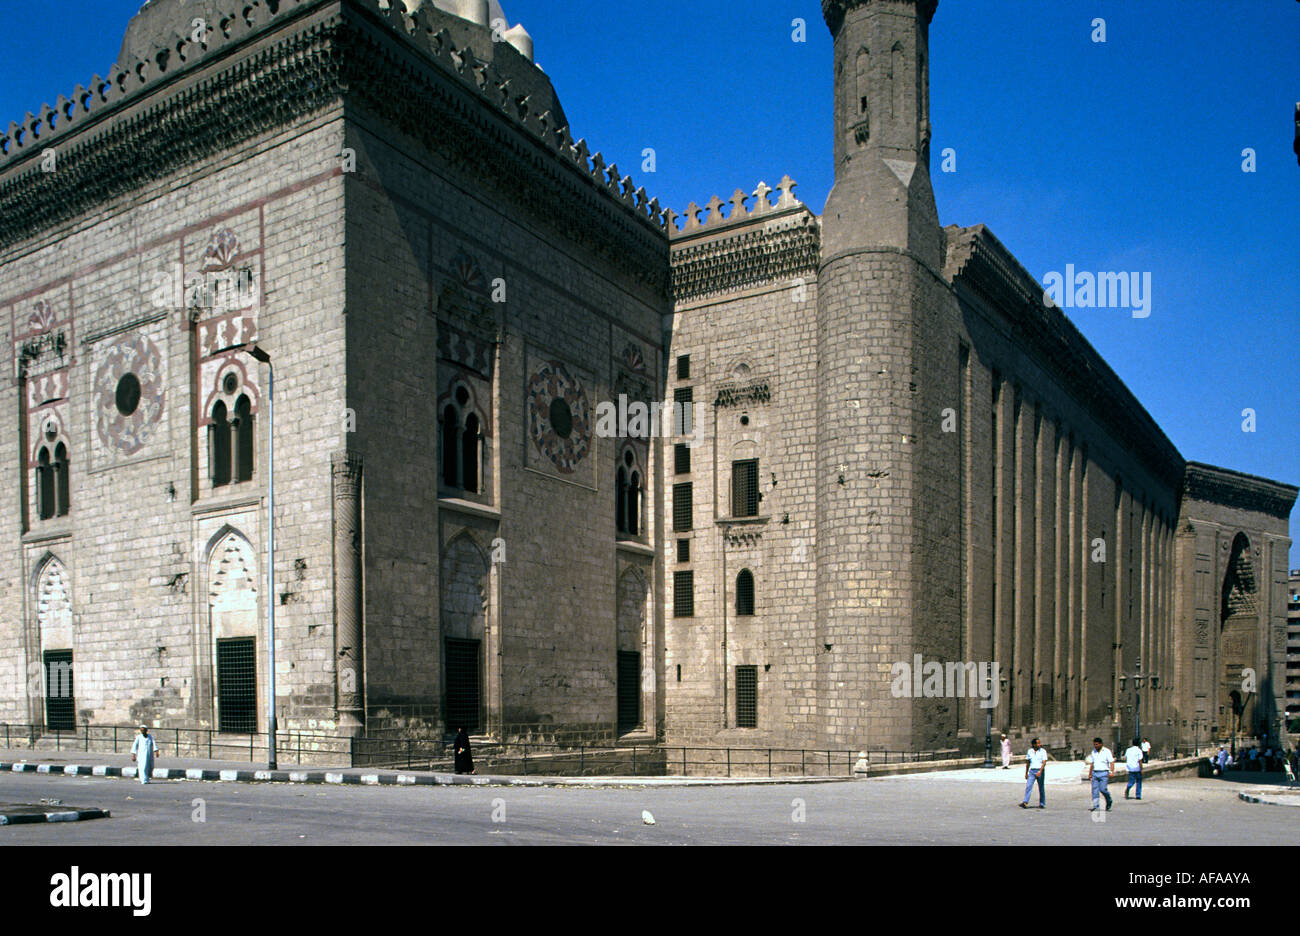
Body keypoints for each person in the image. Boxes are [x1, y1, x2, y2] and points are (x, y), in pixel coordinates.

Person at [1086, 737, 1114, 812]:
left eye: (1097, 744)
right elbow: (1092, 763)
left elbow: (1111, 762)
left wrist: (1111, 772)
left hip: (1104, 772)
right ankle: (1095, 805)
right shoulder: (1093, 752)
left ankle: (1109, 800)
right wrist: (1090, 773)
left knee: (1103, 789)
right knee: (1094, 790)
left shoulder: (1107, 751)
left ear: (1101, 744)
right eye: (1094, 744)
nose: (1096, 746)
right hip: (1095, 772)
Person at [1019, 737, 1048, 809]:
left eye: (1039, 743)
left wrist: (1040, 771)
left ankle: (1042, 803)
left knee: (1041, 787)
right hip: (1032, 771)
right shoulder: (1030, 751)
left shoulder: (1043, 751)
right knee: (1029, 786)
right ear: (1034, 744)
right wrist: (1026, 773)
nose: (1039, 744)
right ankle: (1025, 802)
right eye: (1038, 743)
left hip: (1039, 770)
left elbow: (1044, 762)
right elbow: (1028, 762)